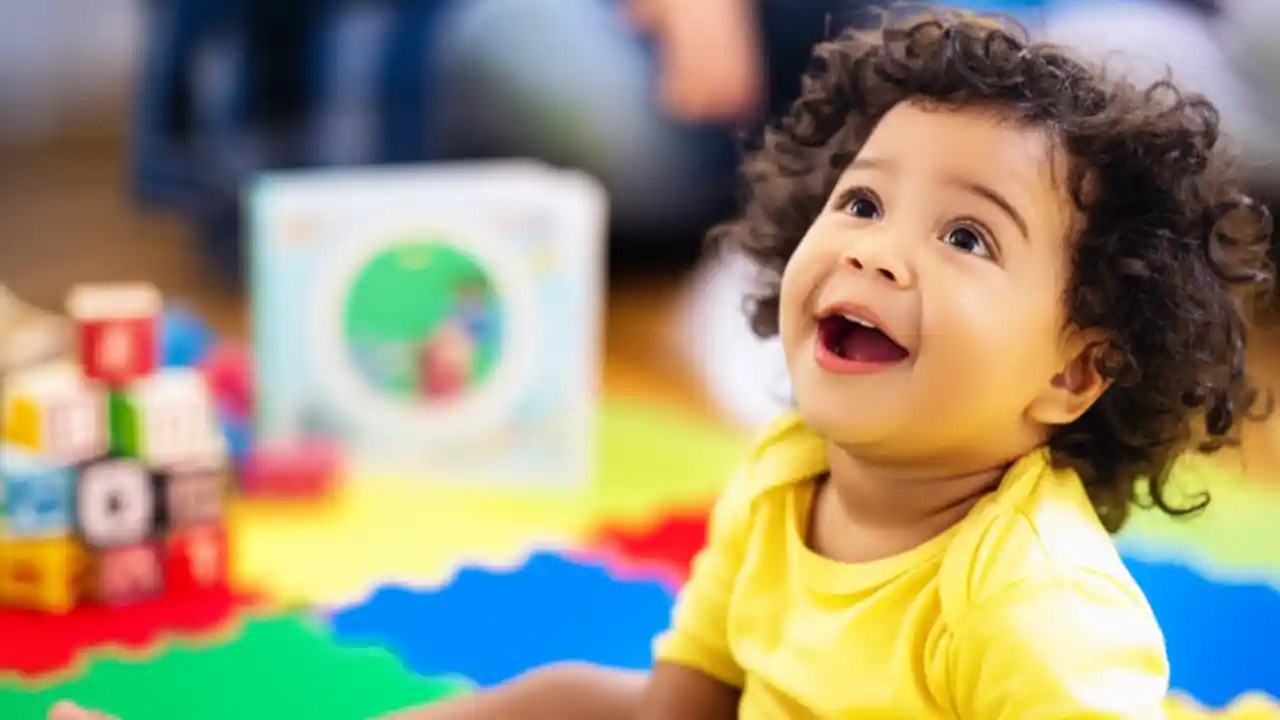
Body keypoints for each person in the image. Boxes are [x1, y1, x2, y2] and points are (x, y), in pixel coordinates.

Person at [54, 8, 1274, 720]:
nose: (879, 254)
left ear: (1071, 375)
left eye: (964, 237)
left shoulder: (1035, 609)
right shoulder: (785, 473)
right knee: (569, 693)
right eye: (858, 205)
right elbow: (686, 700)